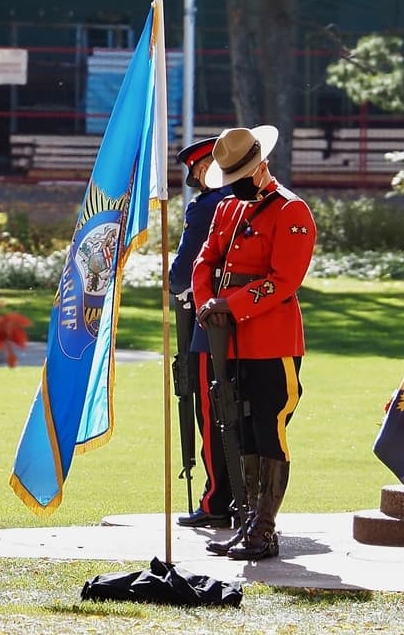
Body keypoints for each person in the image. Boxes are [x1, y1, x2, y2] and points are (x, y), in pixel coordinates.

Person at [192, 124, 317, 560]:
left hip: (271, 339)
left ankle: (265, 528)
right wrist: (210, 302)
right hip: (230, 339)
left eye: (241, 178)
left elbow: (284, 281)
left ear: (261, 166)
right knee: (240, 429)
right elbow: (206, 260)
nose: (235, 187)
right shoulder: (228, 208)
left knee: (269, 429)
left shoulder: (291, 211)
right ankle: (248, 523)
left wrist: (231, 304)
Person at [170, 137, 234, 529]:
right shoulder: (256, 200)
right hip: (254, 322)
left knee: (212, 414)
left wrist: (177, 285)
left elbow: (182, 273)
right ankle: (249, 498)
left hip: (209, 324)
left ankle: (216, 500)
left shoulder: (207, 206)